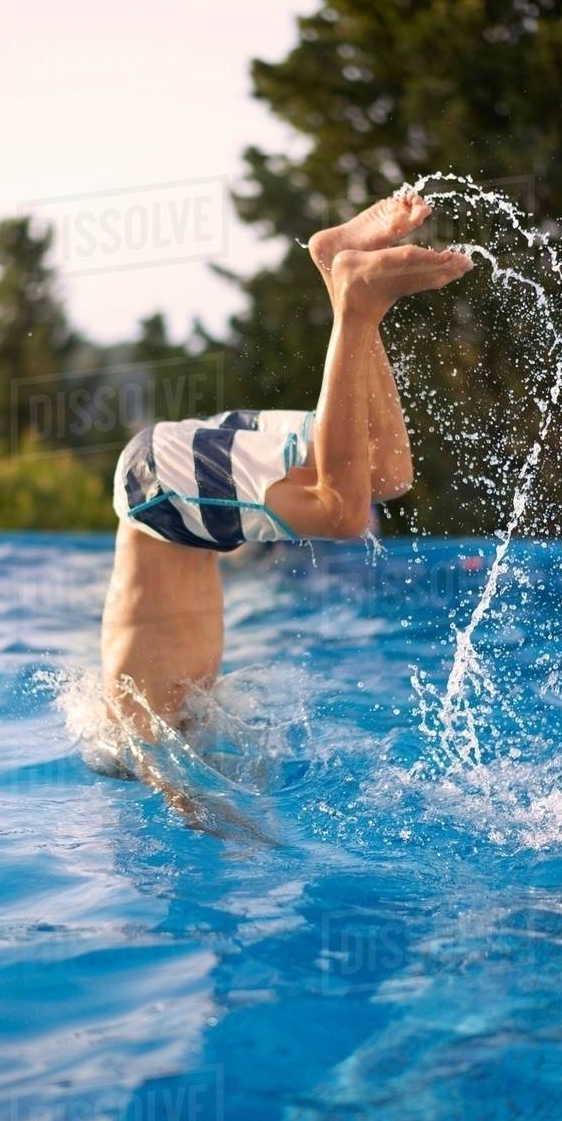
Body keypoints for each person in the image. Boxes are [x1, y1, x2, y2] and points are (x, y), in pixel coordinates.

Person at [101, 190, 473, 744]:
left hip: (158, 493)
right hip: (165, 470)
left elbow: (169, 781)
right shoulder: (172, 704)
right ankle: (336, 262)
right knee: (387, 472)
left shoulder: (133, 734)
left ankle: (357, 305)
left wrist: (220, 826)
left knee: (342, 515)